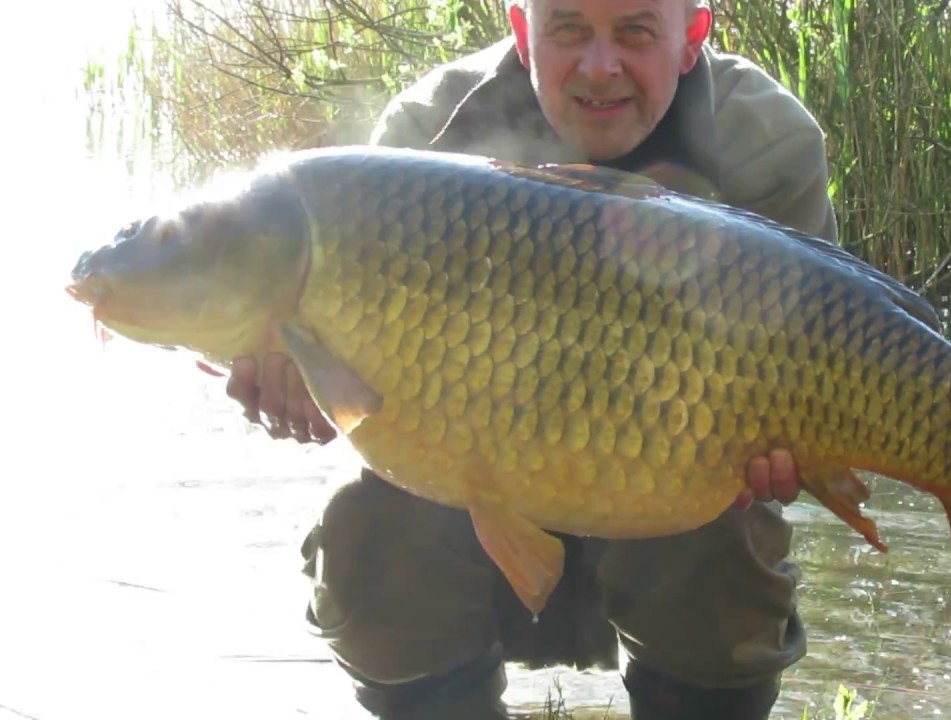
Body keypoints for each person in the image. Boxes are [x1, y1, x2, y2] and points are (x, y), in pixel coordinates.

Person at [214, 1, 840, 717]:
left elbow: (819, 364)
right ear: (520, 31)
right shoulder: (421, 140)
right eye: (568, 29)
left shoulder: (767, 142)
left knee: (723, 542)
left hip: (670, 501)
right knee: (371, 529)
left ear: (693, 37)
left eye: (635, 32)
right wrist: (310, 394)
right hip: (467, 502)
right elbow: (368, 409)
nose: (600, 66)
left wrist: (795, 449)